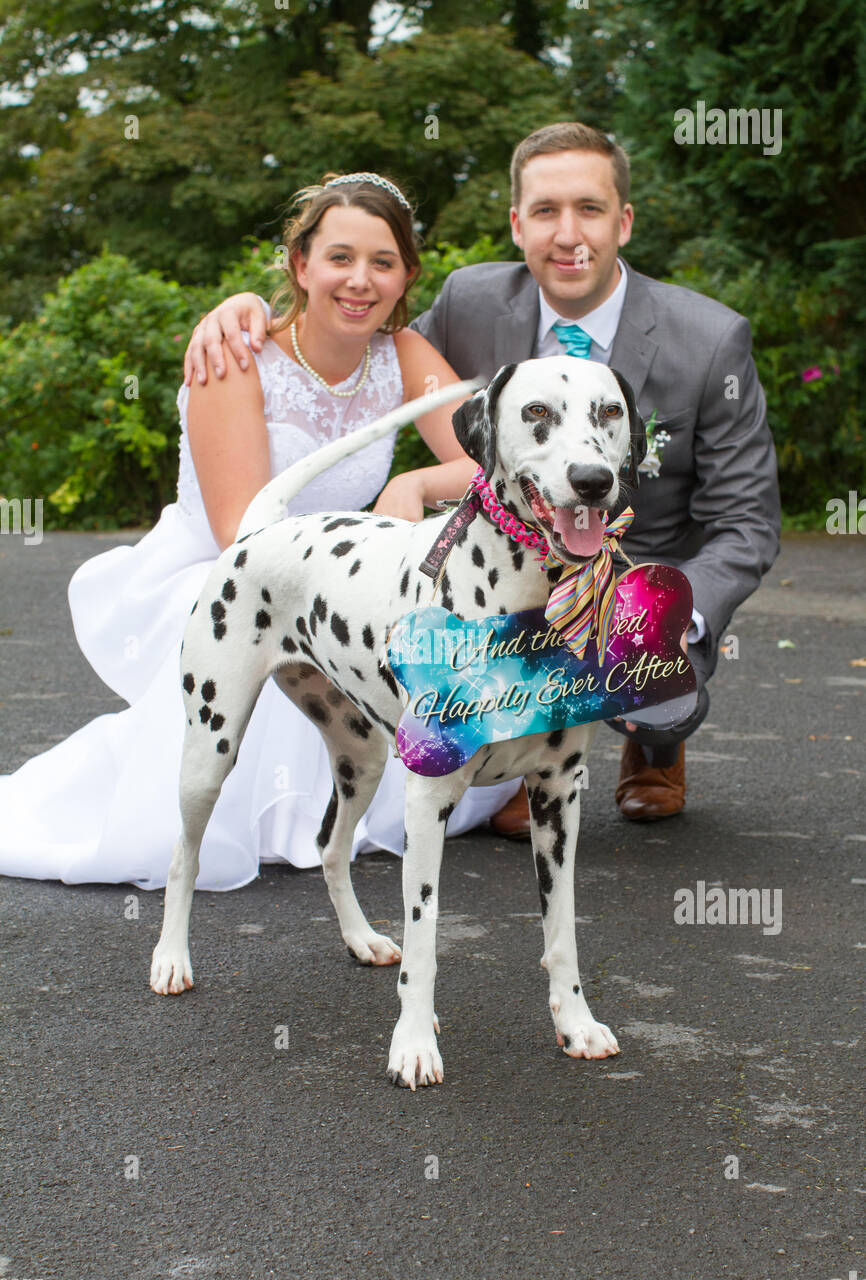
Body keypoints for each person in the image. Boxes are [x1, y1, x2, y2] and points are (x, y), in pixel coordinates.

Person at [186, 122, 781, 836]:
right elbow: (359, 329)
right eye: (545, 212)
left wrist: (679, 618)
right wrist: (246, 309)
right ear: (515, 224)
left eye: (589, 209)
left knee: (651, 655)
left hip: (621, 577)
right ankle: (511, 741)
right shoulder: (469, 302)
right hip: (481, 575)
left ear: (624, 221)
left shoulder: (710, 339)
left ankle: (652, 744)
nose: (568, 234)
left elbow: (747, 522)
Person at [0, 172, 519, 891]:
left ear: (407, 279)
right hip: (226, 575)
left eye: (383, 263)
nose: (360, 281)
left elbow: (495, 461)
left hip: (332, 576)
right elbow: (242, 533)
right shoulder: (237, 358)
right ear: (299, 265)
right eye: (339, 258)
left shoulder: (401, 357)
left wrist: (416, 483)